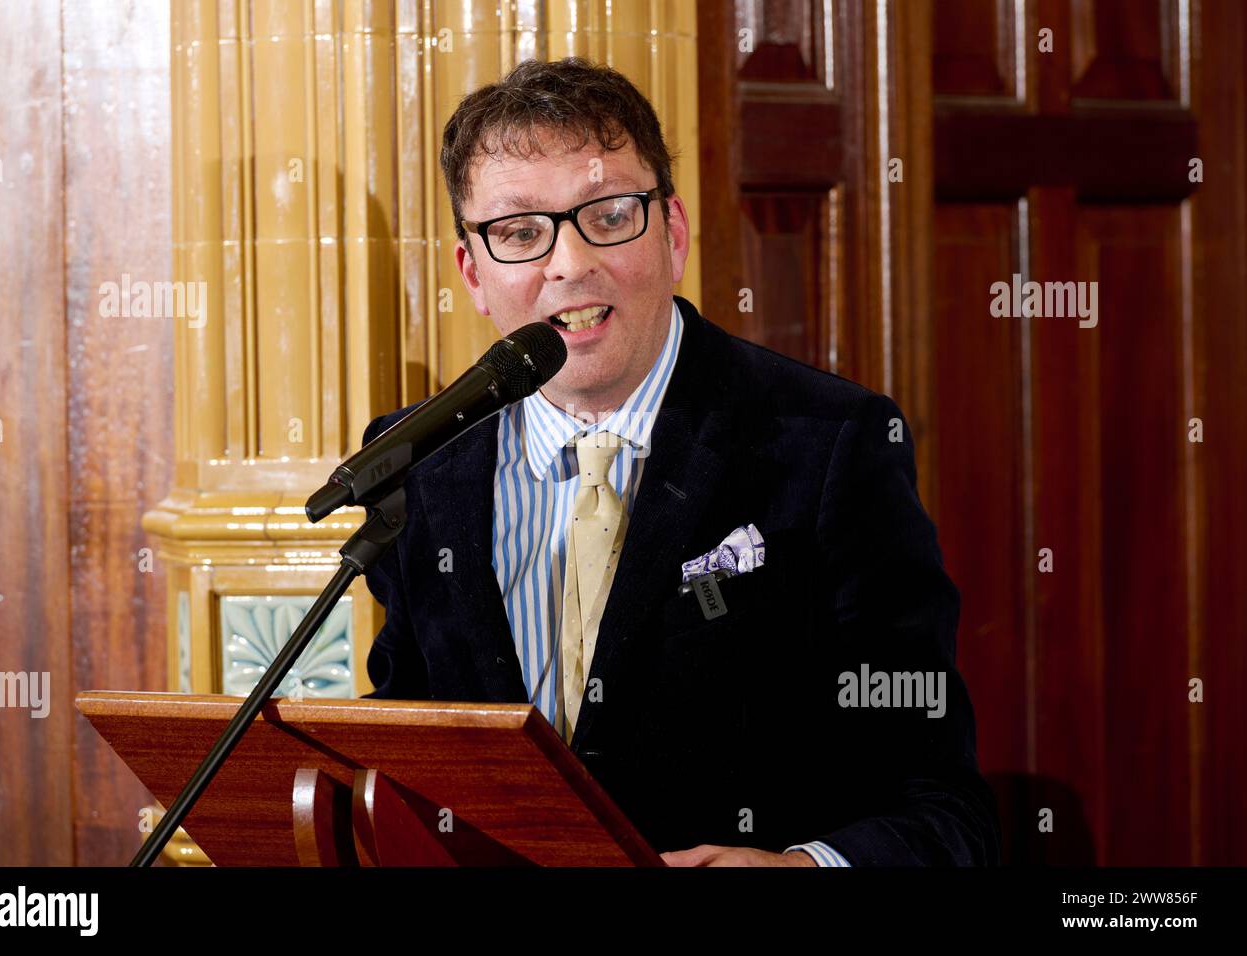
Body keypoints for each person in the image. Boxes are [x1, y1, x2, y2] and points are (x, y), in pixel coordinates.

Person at [361, 57, 1000, 867]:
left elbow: (947, 811)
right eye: (520, 232)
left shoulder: (830, 443)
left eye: (608, 214)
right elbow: (409, 762)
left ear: (674, 234)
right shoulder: (420, 461)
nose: (567, 263)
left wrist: (802, 869)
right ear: (474, 274)